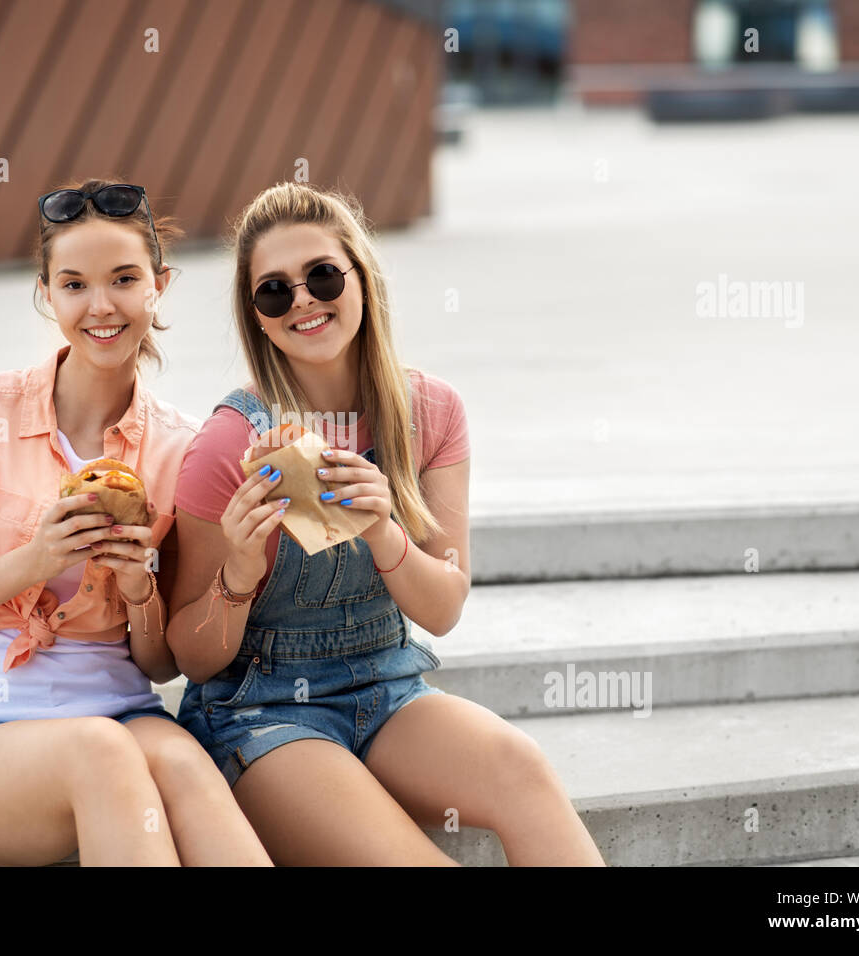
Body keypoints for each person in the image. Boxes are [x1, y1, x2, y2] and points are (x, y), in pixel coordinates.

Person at [165, 181, 605, 866]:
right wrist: (240, 572)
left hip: (388, 688)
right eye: (274, 291)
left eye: (322, 276)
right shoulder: (230, 445)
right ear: (256, 317)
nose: (303, 300)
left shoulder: (428, 411)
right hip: (260, 711)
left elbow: (445, 607)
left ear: (362, 279)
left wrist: (383, 531)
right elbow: (189, 656)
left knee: (524, 771)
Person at [0, 179, 271, 866]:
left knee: (181, 765)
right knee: (100, 751)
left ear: (159, 286)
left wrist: (142, 589)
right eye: (75, 284)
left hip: (125, 713)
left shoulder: (181, 447)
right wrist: (34, 559)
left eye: (124, 279)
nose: (102, 306)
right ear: (46, 293)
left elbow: (160, 664)